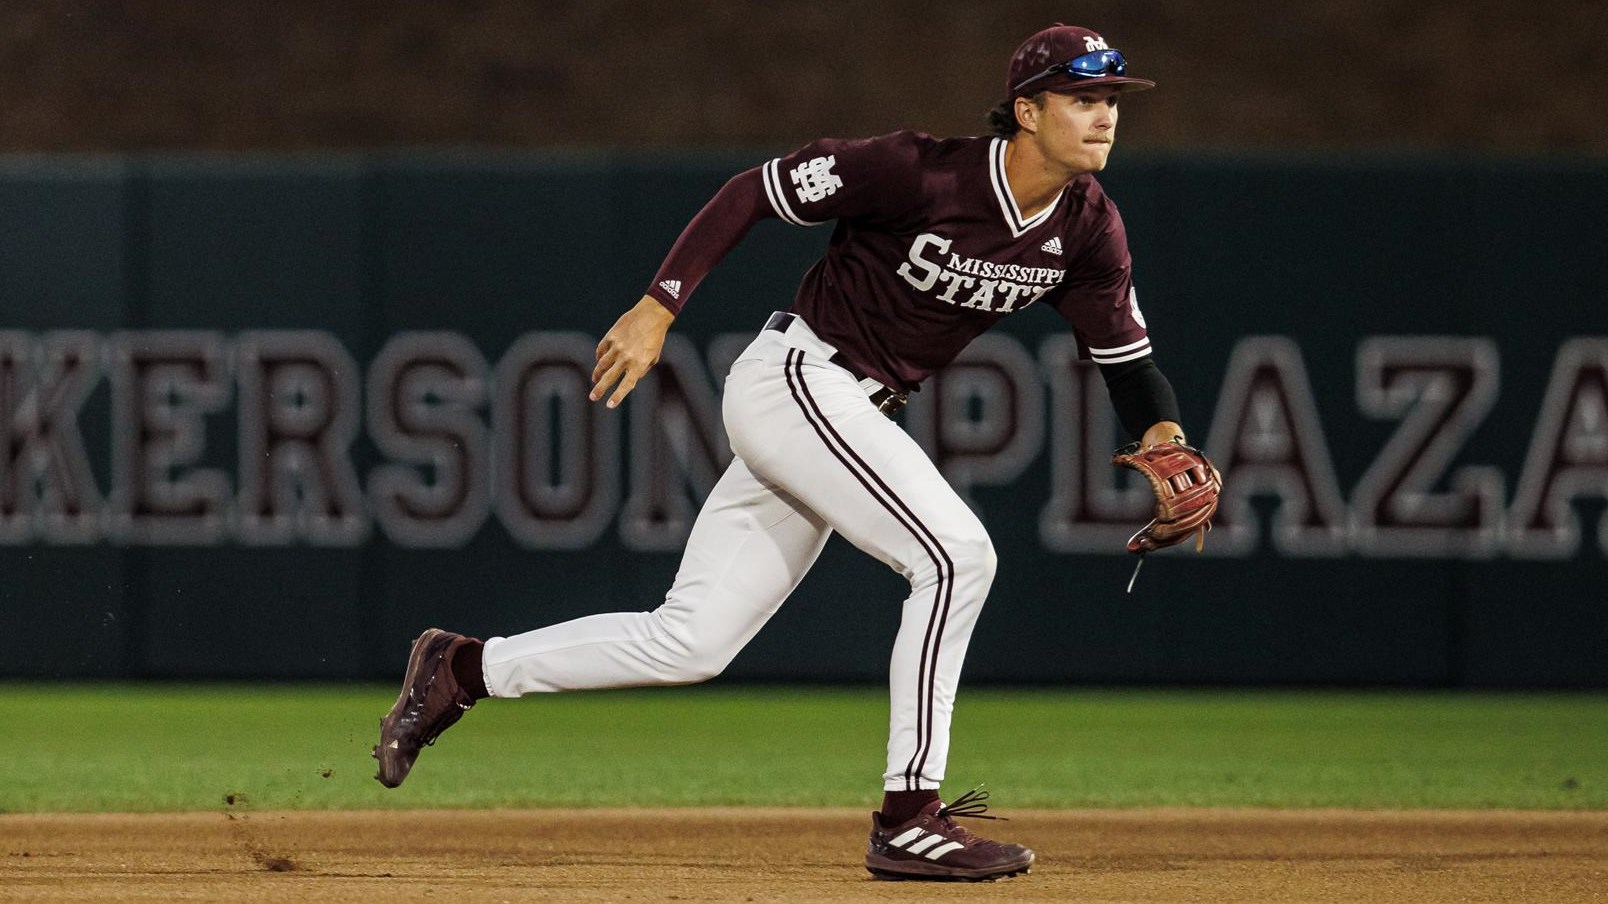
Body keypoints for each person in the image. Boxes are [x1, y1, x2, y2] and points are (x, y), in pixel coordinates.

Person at [376, 23, 1190, 882]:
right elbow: (751, 193)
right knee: (957, 557)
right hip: (799, 380)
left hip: (848, 412)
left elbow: (1128, 363)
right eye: (1083, 99)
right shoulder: (919, 171)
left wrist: (1167, 442)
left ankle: (463, 667)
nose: (1104, 118)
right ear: (1027, 111)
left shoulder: (1091, 228)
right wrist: (660, 304)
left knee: (690, 641)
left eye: (1110, 102)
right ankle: (910, 816)